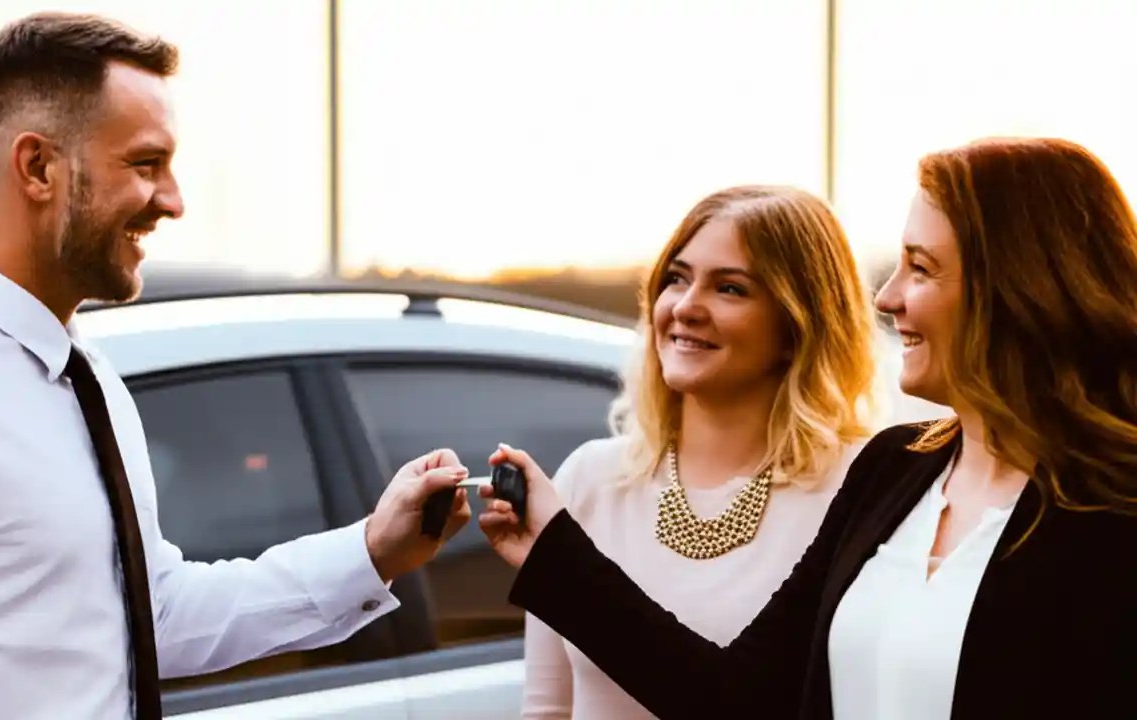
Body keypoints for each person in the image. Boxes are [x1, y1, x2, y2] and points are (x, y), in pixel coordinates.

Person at [0, 13, 472, 720]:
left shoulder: (88, 378)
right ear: (38, 168)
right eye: (145, 165)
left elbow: (154, 617)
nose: (173, 201)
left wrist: (371, 552)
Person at [479, 137, 1137, 720]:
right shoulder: (895, 469)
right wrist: (556, 555)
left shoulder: (1111, 511)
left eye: (922, 268)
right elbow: (736, 698)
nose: (888, 298)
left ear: (1020, 289)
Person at [520, 186, 877, 719]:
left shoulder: (861, 486)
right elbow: (547, 711)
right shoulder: (587, 479)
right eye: (676, 279)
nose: (686, 308)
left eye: (730, 289)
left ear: (797, 326)